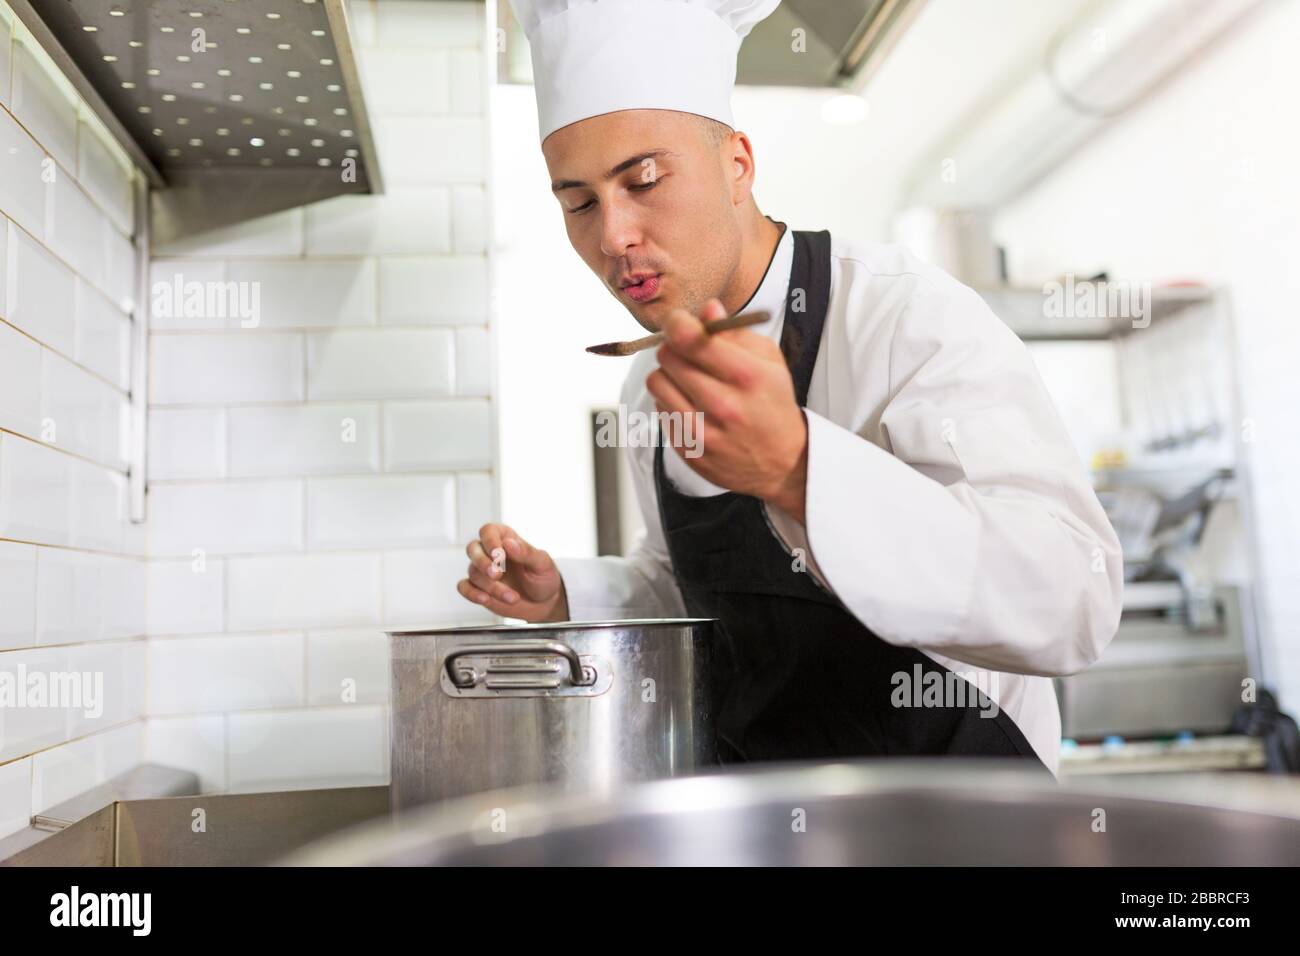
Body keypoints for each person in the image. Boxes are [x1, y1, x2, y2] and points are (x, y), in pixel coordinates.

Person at [458, 0, 1123, 775]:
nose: (613, 236)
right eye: (577, 203)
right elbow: (690, 585)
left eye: (642, 179)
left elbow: (1074, 602)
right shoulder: (652, 385)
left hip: (963, 826)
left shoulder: (900, 316)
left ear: (738, 163)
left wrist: (803, 472)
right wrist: (568, 594)